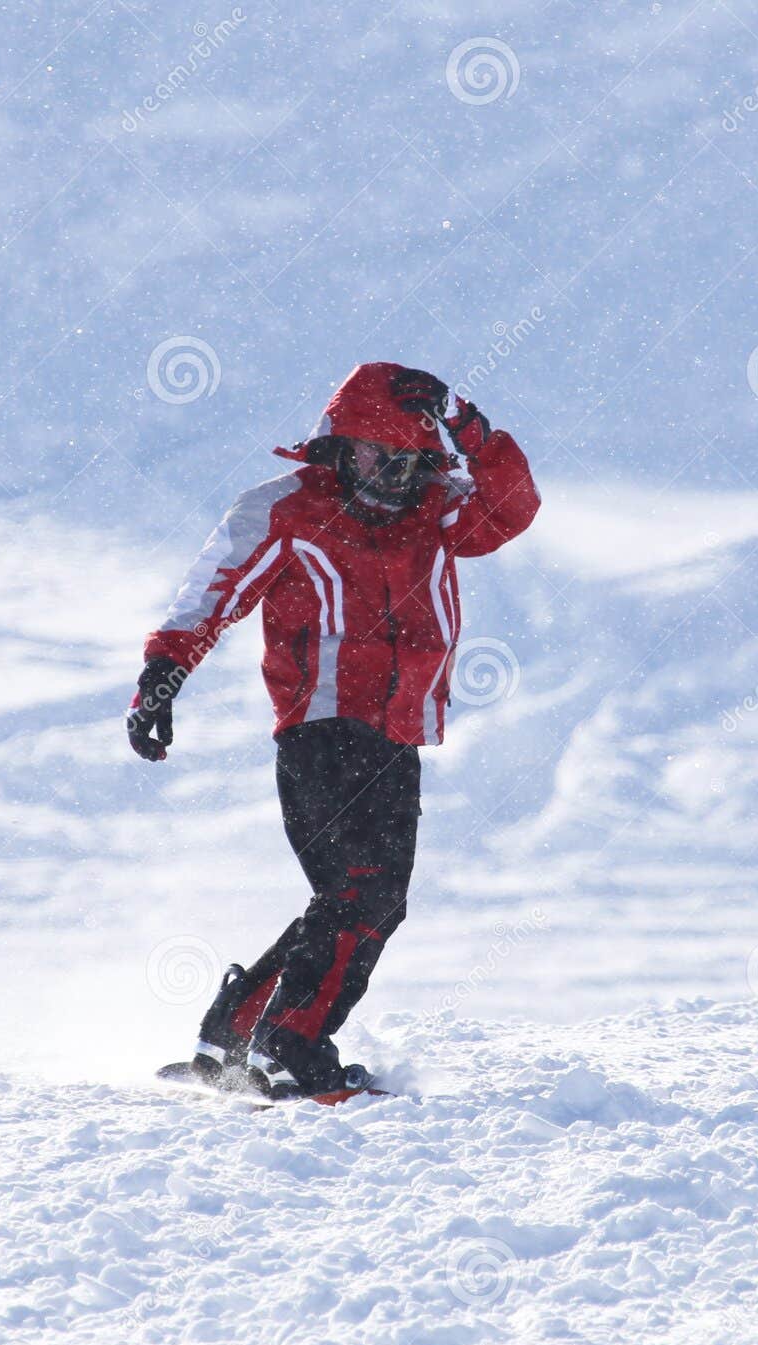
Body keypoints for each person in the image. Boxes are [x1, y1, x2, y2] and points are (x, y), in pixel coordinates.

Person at [127, 362, 540, 1099]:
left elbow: (511, 508)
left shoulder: (438, 511)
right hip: (319, 728)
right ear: (340, 447)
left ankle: (233, 1034)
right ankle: (290, 1047)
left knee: (358, 898)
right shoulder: (286, 508)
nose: (390, 475)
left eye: (408, 458)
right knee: (364, 893)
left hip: (397, 733)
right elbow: (210, 592)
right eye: (376, 455)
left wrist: (468, 422)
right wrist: (162, 678)